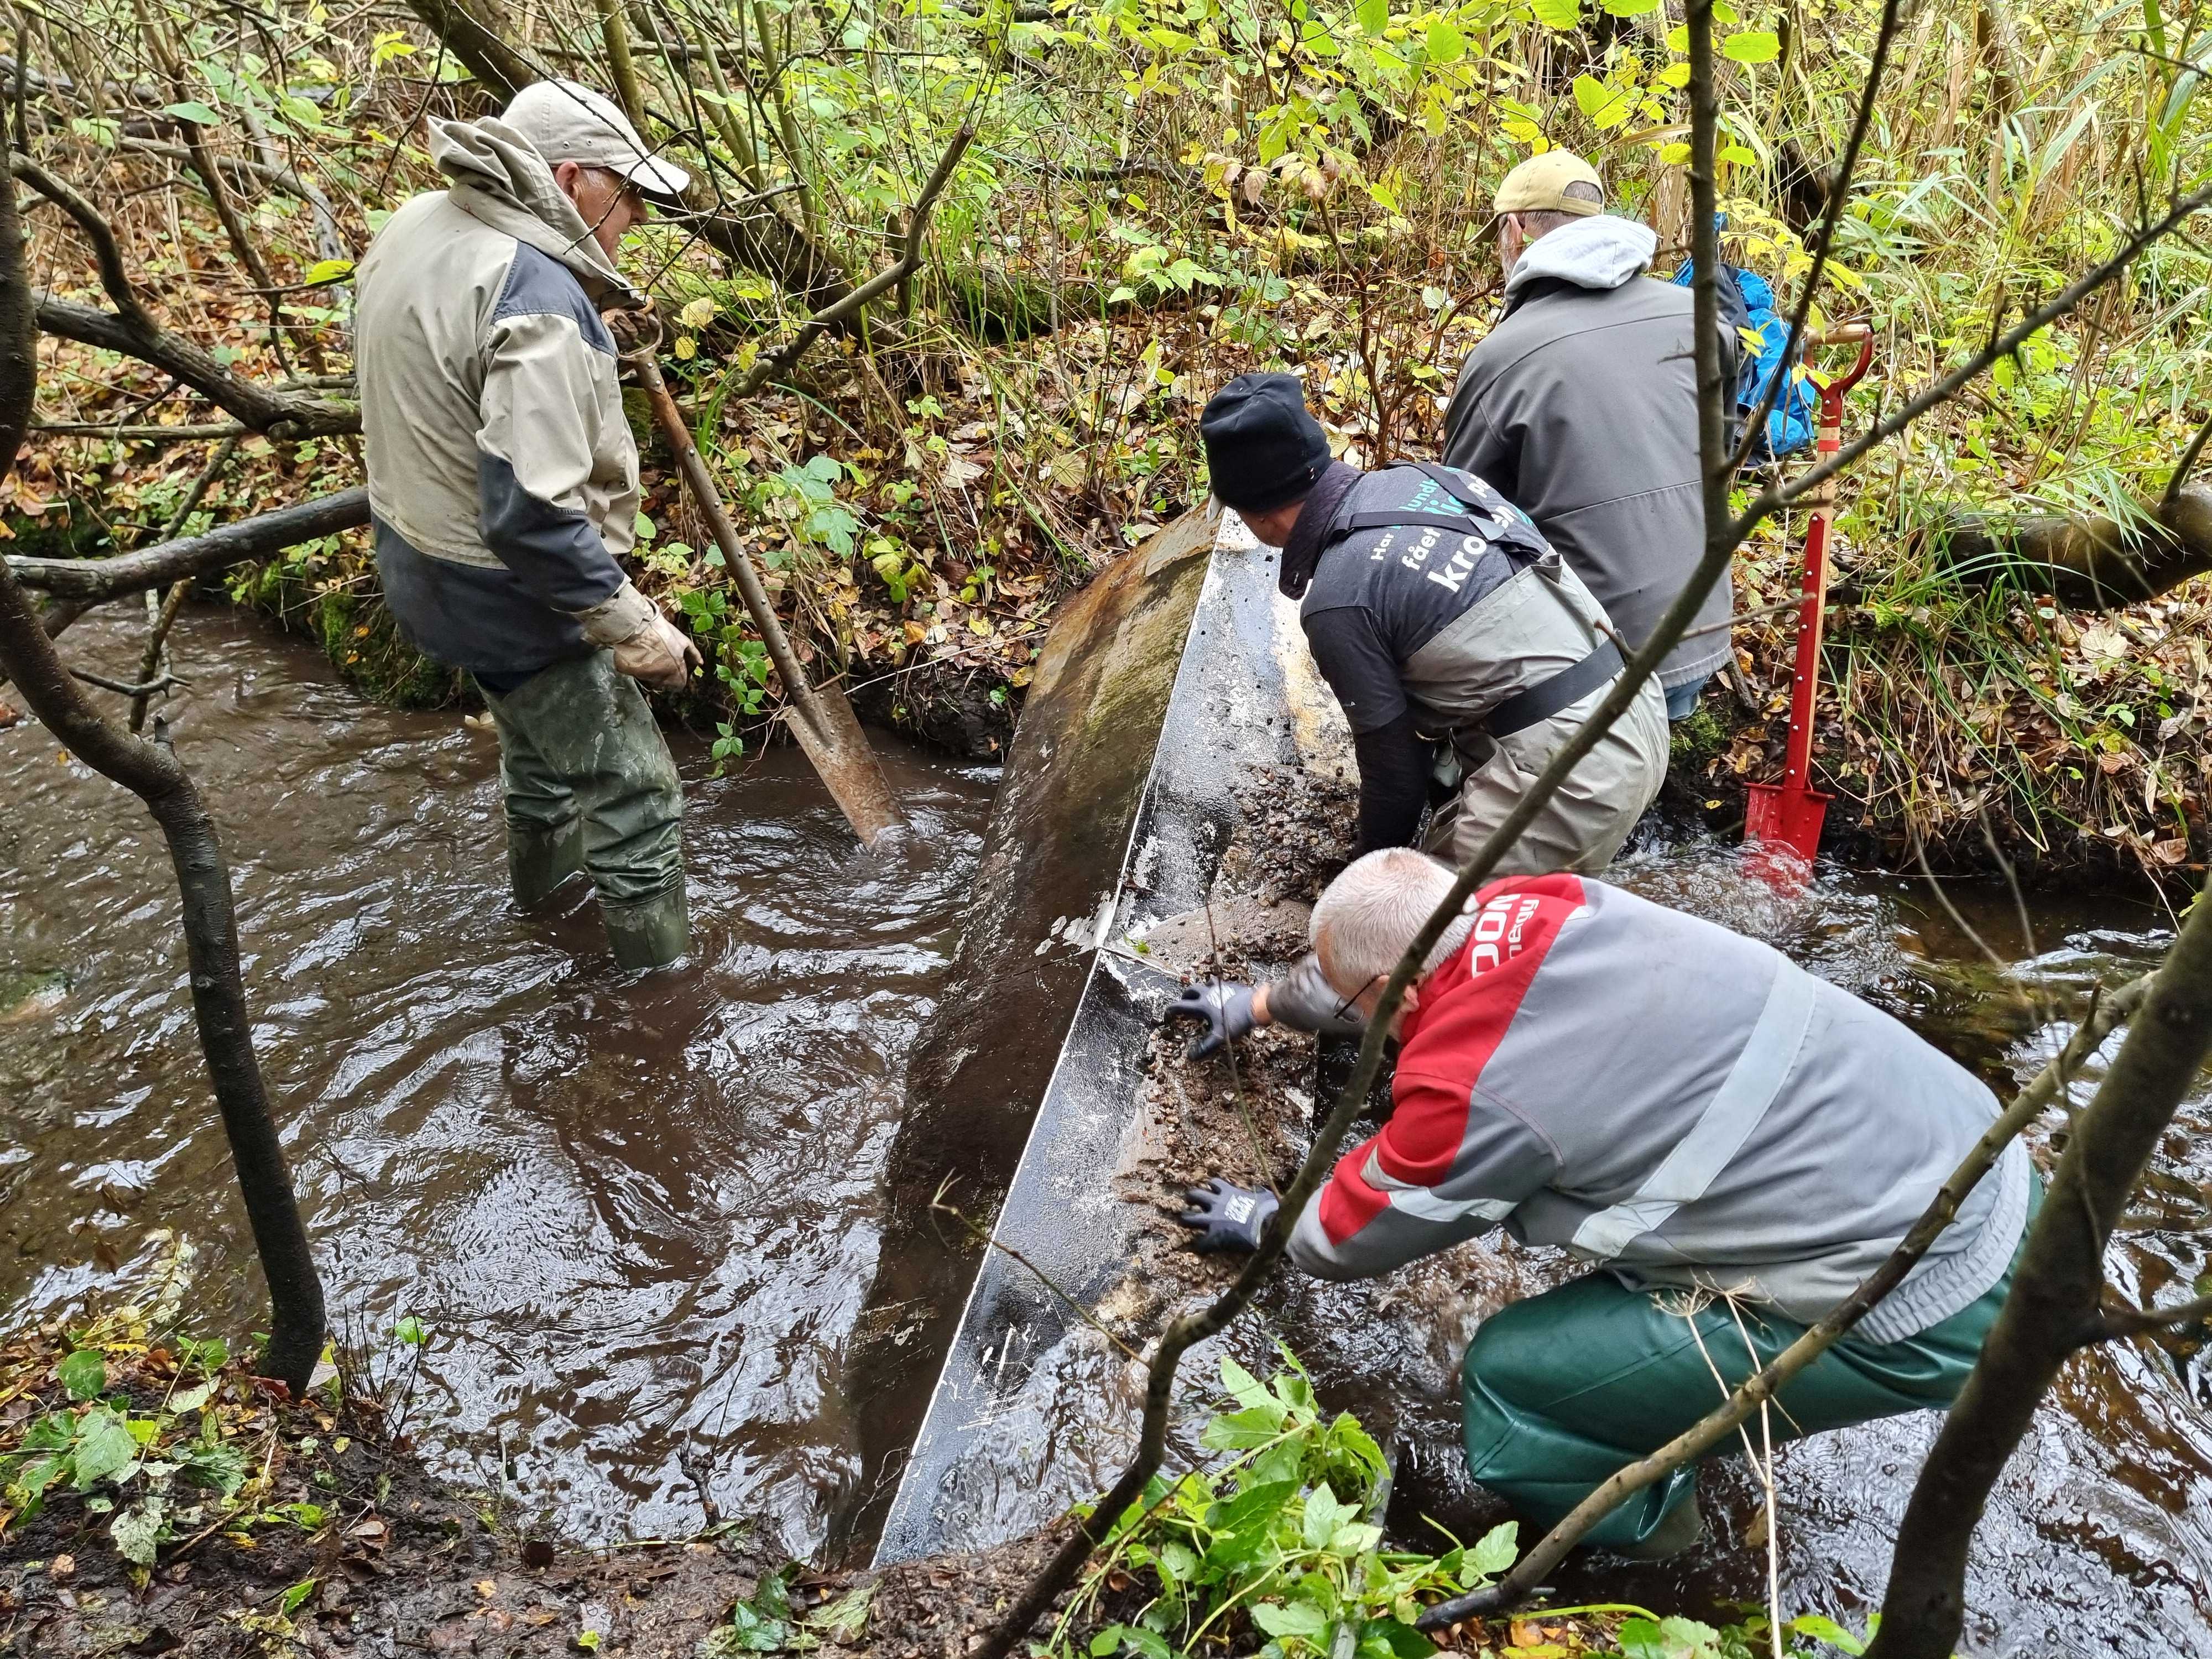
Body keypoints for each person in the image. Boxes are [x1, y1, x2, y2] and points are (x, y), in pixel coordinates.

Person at [1174, 848, 2033, 1558]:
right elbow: (1376, 974)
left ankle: (1659, 1561)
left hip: (1925, 1308)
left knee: (1513, 1380)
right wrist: (1255, 1005)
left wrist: (1259, 1221)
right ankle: (1665, 1431)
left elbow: (1348, 1234)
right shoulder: (1549, 906)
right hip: (1988, 1165)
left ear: (1393, 996)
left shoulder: (1474, 1088)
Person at [1189, 372, 1667, 1039]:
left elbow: (1393, 776)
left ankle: (1269, 1011)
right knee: (1510, 917)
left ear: (1258, 514)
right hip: (1632, 706)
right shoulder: (1431, 480)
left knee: (1413, 953)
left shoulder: (1339, 599)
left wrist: (1361, 893)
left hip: (1573, 772)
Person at [355, 80, 700, 971]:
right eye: (628, 197)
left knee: (543, 769)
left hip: (416, 562)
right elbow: (534, 516)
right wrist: (634, 627)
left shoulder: (422, 222)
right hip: (506, 592)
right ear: (572, 178)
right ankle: (656, 1001)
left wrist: (588, 310)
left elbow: (452, 363)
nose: (636, 222)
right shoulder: (540, 300)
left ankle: (543, 921)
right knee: (637, 793)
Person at [1441, 151, 1736, 722]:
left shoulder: (1504, 357)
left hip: (1589, 667)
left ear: (1515, 230)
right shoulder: (1698, 316)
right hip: (1702, 631)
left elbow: (1465, 521)